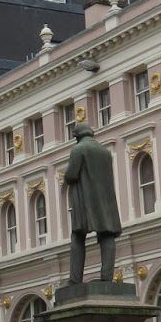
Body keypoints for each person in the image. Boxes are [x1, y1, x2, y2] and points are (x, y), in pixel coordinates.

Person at [63, 121, 123, 284]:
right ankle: (107, 277)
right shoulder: (104, 151)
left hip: (85, 200)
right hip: (106, 200)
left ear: (77, 136)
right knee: (106, 234)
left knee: (78, 235)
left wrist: (66, 177)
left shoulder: (78, 149)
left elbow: (72, 175)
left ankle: (75, 279)